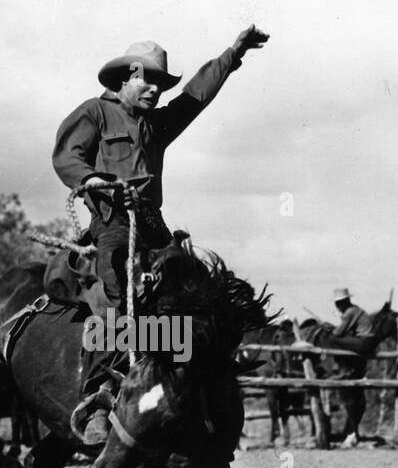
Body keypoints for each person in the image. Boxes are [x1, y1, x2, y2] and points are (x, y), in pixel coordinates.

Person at [52, 26, 269, 442]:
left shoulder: (158, 124)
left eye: (160, 83)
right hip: (113, 223)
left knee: (199, 291)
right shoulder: (94, 112)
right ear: (123, 80)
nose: (155, 89)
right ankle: (97, 395)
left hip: (154, 226)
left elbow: (196, 94)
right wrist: (93, 179)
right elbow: (67, 156)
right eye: (146, 80)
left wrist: (234, 52)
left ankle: (200, 388)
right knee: (121, 297)